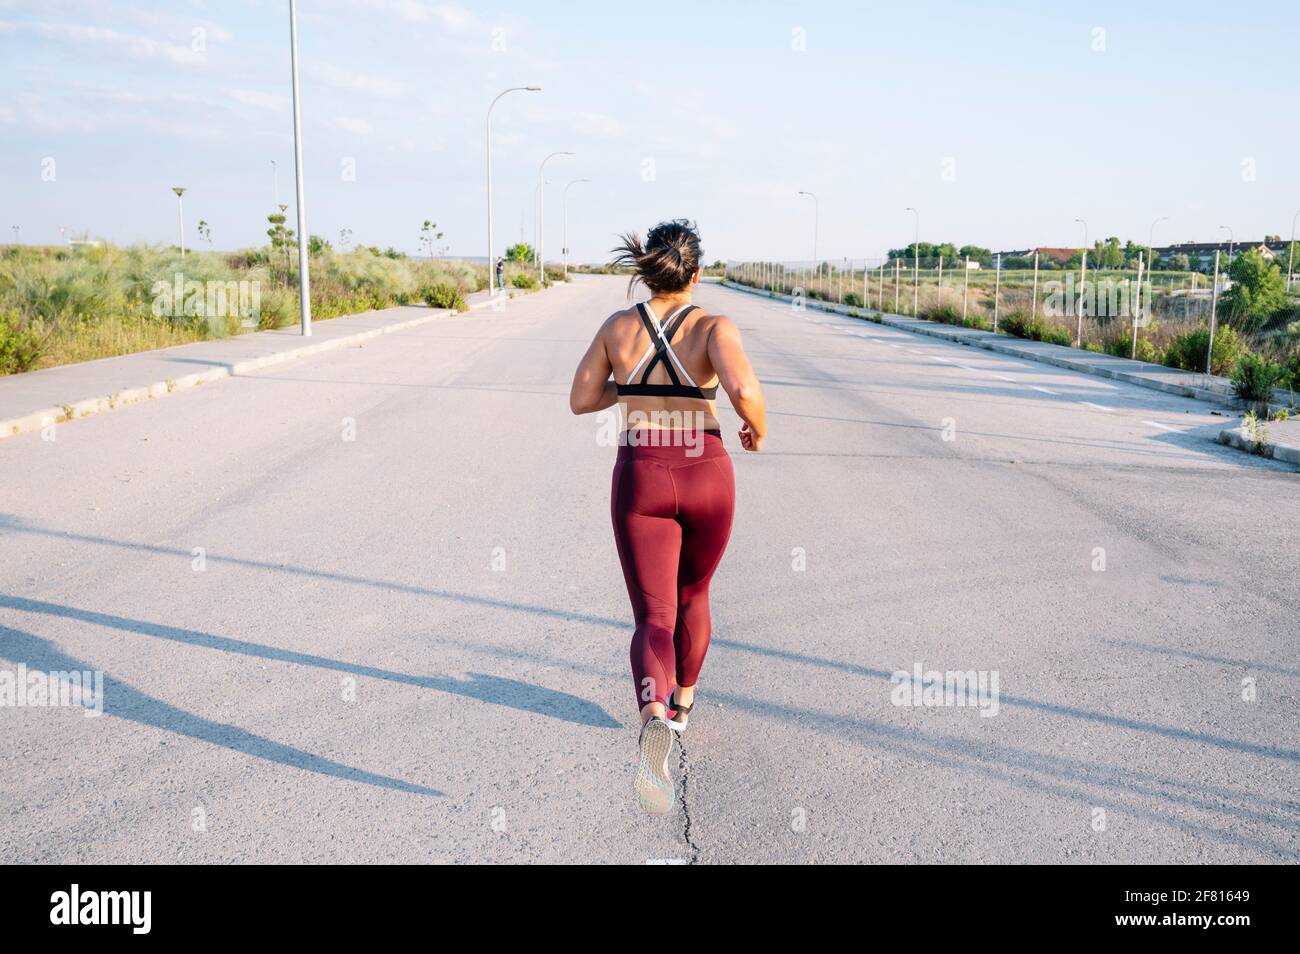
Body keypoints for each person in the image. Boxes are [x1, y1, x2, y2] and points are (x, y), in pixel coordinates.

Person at [569, 219, 766, 814]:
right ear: (696, 273)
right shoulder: (713, 325)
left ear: (646, 271)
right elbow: (743, 387)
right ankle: (681, 706)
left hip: (642, 470)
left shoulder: (618, 326)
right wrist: (757, 427)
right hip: (705, 469)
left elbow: (581, 399)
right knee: (695, 594)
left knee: (652, 612)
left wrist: (628, 387)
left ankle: (651, 711)